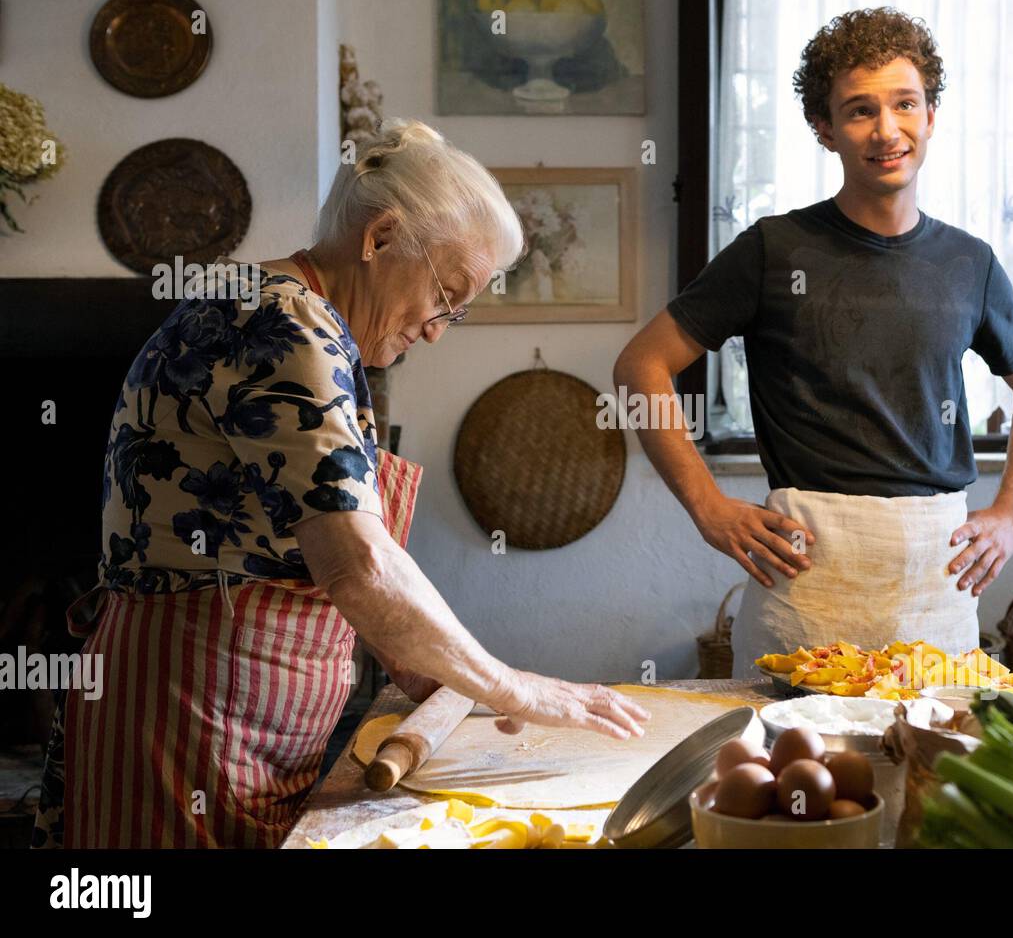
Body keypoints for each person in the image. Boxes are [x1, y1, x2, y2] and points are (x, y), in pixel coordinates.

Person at [34, 119, 648, 849]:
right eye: (445, 294)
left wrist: (420, 666)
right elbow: (358, 563)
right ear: (381, 237)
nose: (436, 329)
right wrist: (515, 686)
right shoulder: (280, 323)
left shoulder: (297, 319)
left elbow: (324, 539)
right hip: (186, 722)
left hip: (236, 729)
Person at [614, 9, 1013, 676]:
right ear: (824, 130)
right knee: (788, 775)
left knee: (927, 775)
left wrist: (1010, 514)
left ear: (931, 115)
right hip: (805, 587)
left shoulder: (970, 263)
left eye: (904, 104)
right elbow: (640, 365)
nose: (887, 130)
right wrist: (708, 507)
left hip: (935, 588)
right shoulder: (772, 249)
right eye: (858, 111)